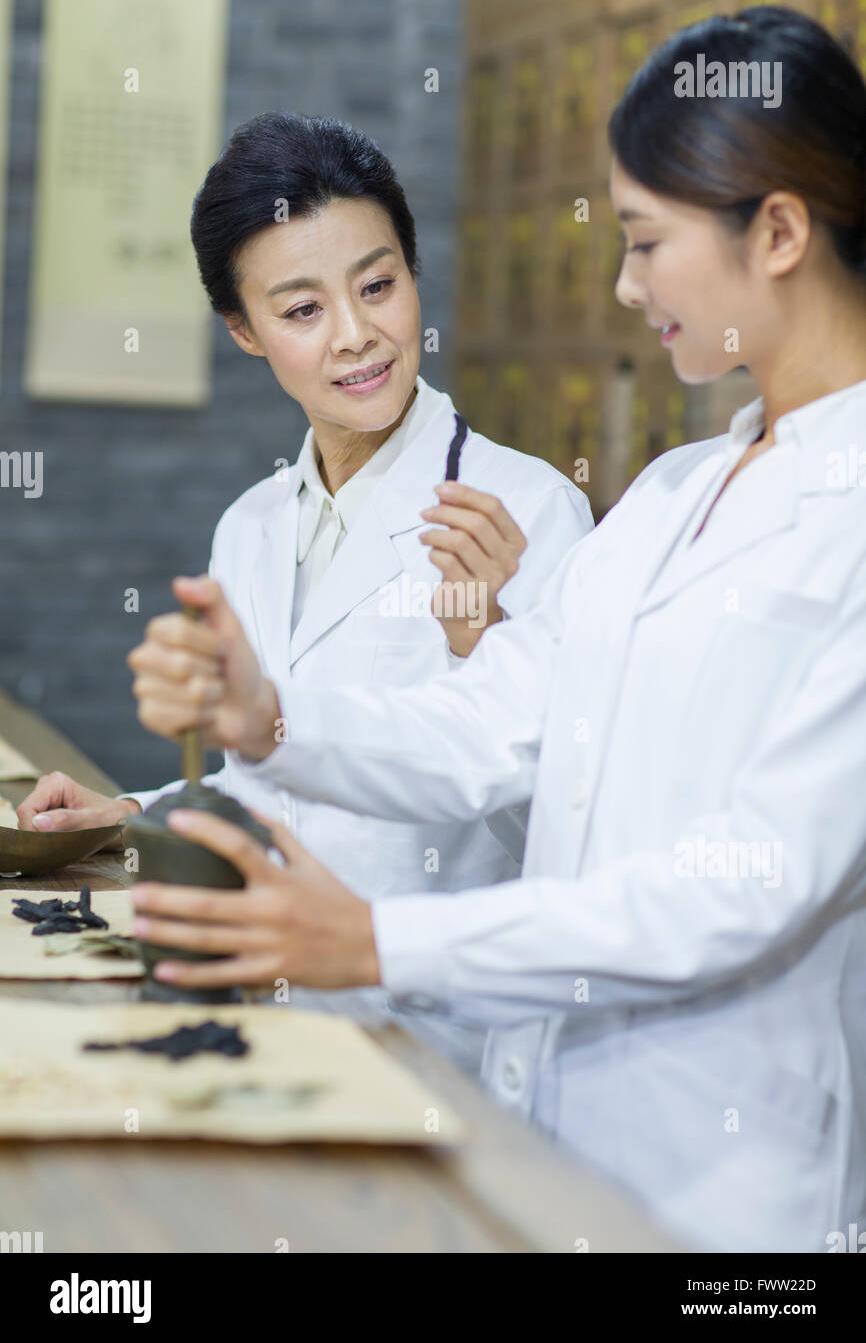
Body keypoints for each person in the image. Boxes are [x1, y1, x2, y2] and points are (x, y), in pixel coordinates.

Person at [121, 7, 866, 1251]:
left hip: (730, 1201)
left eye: (644, 240)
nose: (623, 283)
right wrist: (271, 718)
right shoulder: (674, 497)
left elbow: (741, 889)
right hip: (543, 1141)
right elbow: (497, 729)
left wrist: (374, 939)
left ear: (776, 231)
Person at [16, 113, 593, 1072]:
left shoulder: (529, 510)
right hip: (265, 1007)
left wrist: (478, 638)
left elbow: (566, 829)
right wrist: (122, 815)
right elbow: (264, 781)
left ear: (414, 277)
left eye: (379, 285)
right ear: (244, 331)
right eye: (302, 310)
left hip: (435, 1033)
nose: (358, 336)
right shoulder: (250, 526)